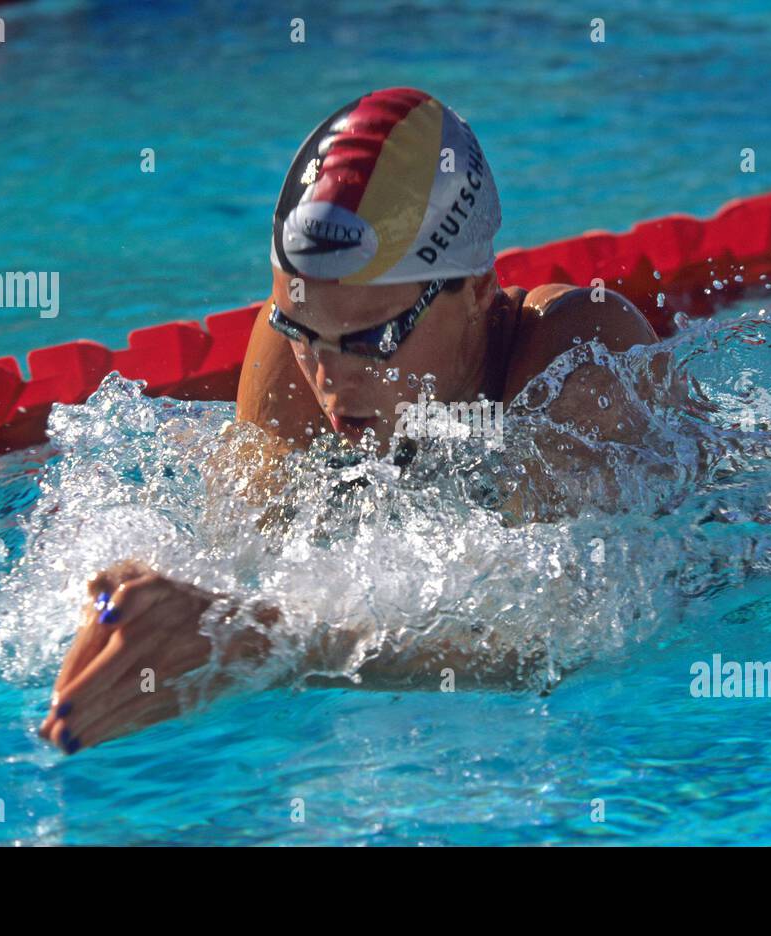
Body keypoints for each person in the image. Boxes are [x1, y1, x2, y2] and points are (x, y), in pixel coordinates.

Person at [39, 87, 657, 754]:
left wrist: (267, 642)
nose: (329, 378)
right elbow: (246, 557)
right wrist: (157, 604)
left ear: (477, 289)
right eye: (300, 332)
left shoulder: (577, 355)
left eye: (371, 341)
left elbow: (560, 638)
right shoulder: (296, 356)